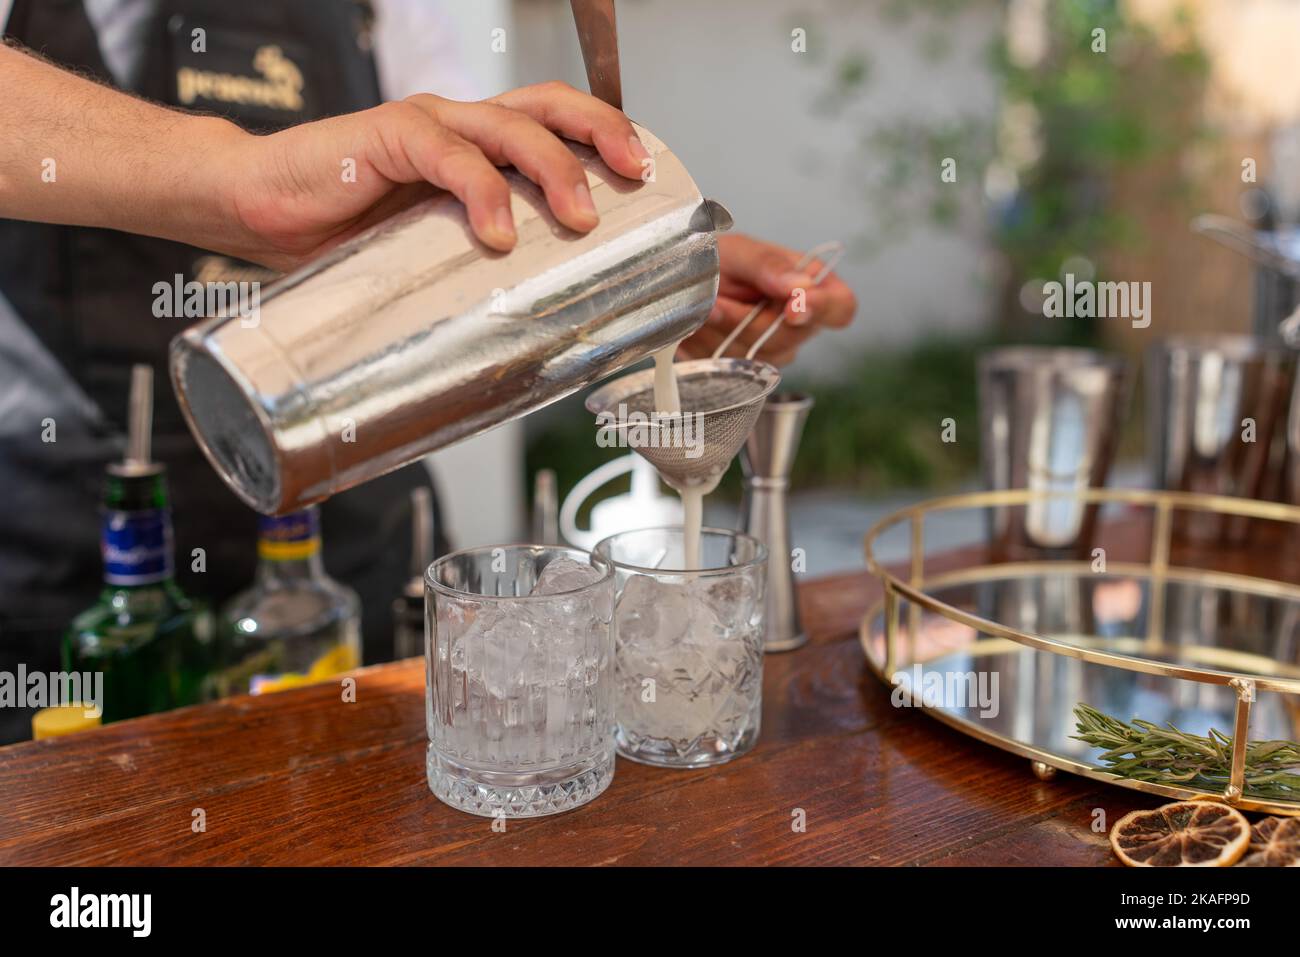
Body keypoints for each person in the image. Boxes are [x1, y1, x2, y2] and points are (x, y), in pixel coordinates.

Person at [0, 0, 856, 741]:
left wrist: (636, 272)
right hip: (81, 572)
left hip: (357, 558)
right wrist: (238, 180)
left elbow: (477, 218)